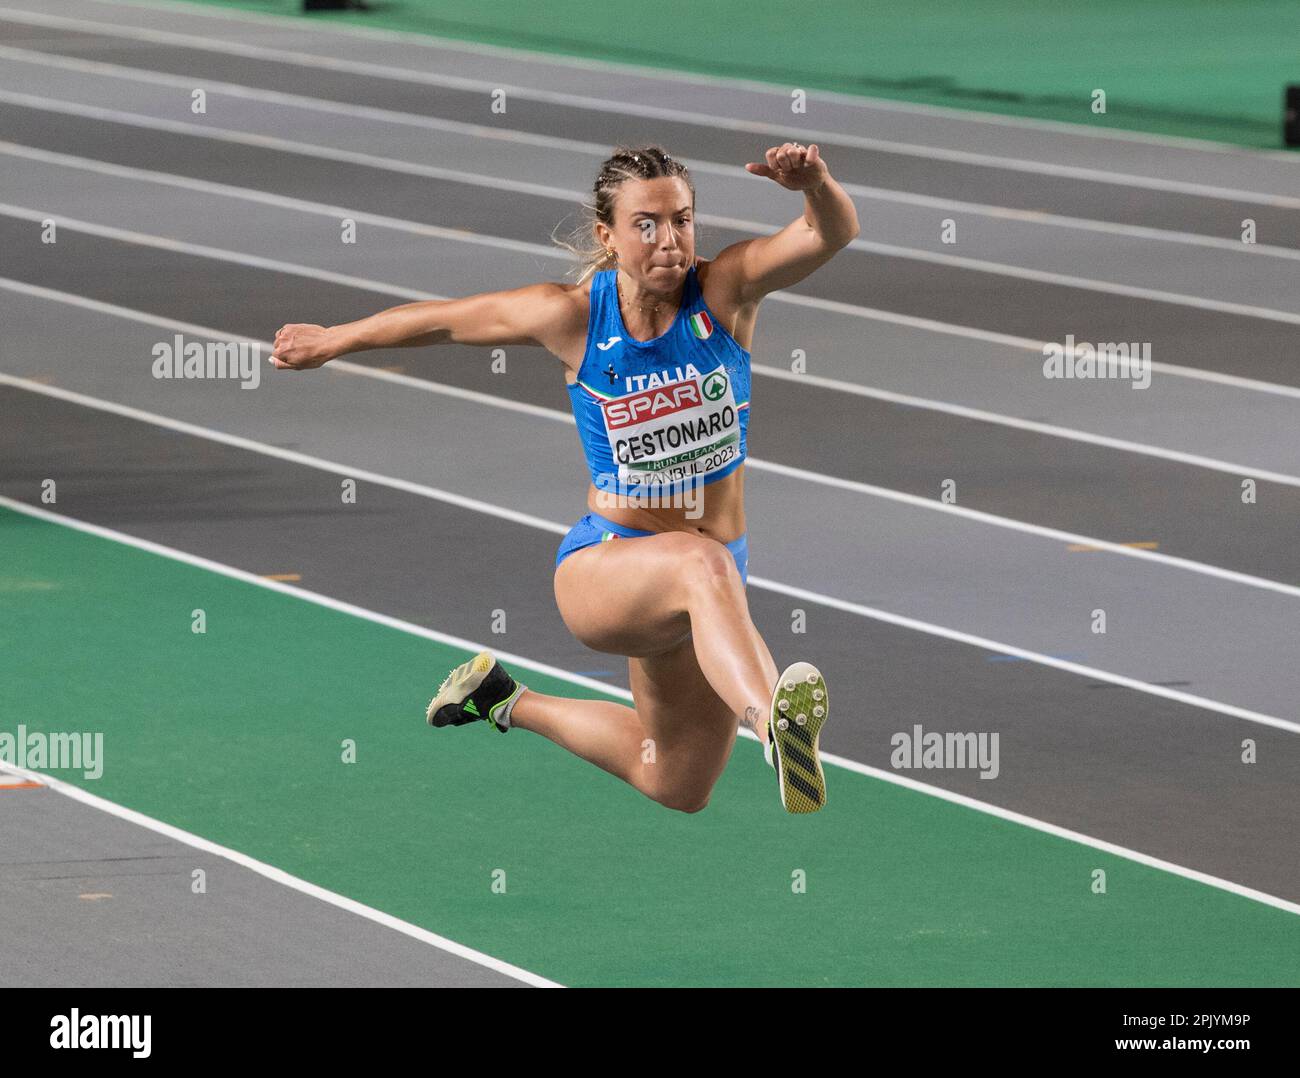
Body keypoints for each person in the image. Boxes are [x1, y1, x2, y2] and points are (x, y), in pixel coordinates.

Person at [270, 142, 859, 813]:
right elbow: (441, 322)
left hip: (697, 586)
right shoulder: (573, 316)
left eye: (682, 220)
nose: (668, 240)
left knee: (677, 781)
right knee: (703, 564)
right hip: (608, 568)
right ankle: (775, 731)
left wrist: (816, 185)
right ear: (608, 236)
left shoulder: (725, 291)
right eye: (646, 224)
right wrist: (334, 339)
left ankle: (504, 701)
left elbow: (828, 232)